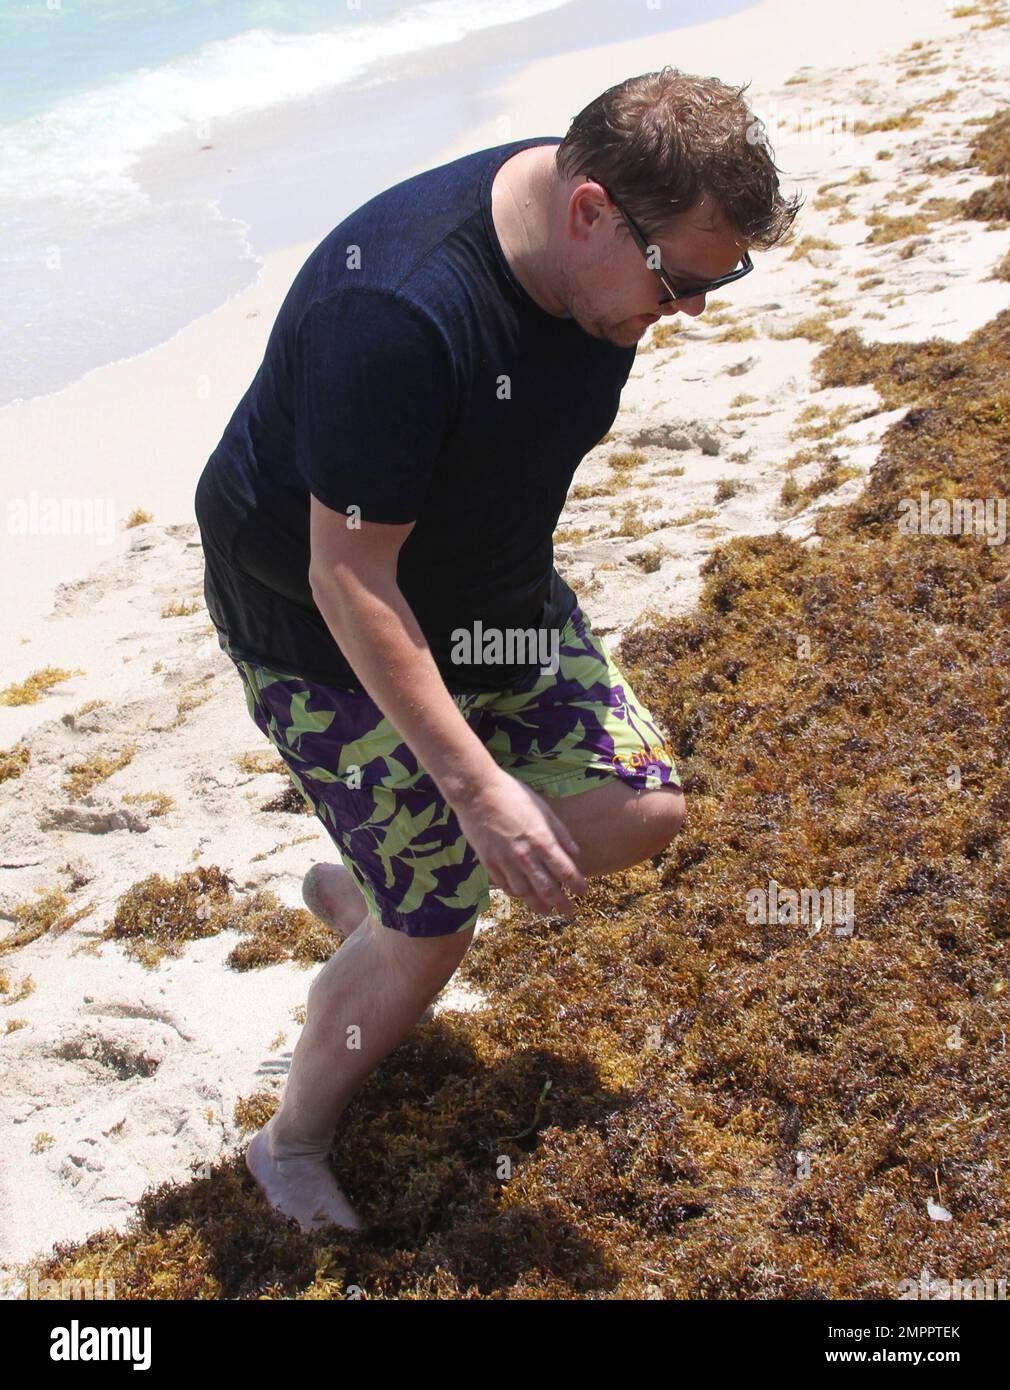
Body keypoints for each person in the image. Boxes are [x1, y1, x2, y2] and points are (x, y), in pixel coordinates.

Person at [193, 66, 801, 1234]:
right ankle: (291, 1139)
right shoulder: (401, 314)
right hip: (323, 621)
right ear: (588, 214)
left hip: (492, 588)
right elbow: (348, 575)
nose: (689, 315)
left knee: (643, 810)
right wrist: (472, 790)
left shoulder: (595, 248)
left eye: (715, 283)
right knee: (438, 919)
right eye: (680, 283)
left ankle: (380, 905)